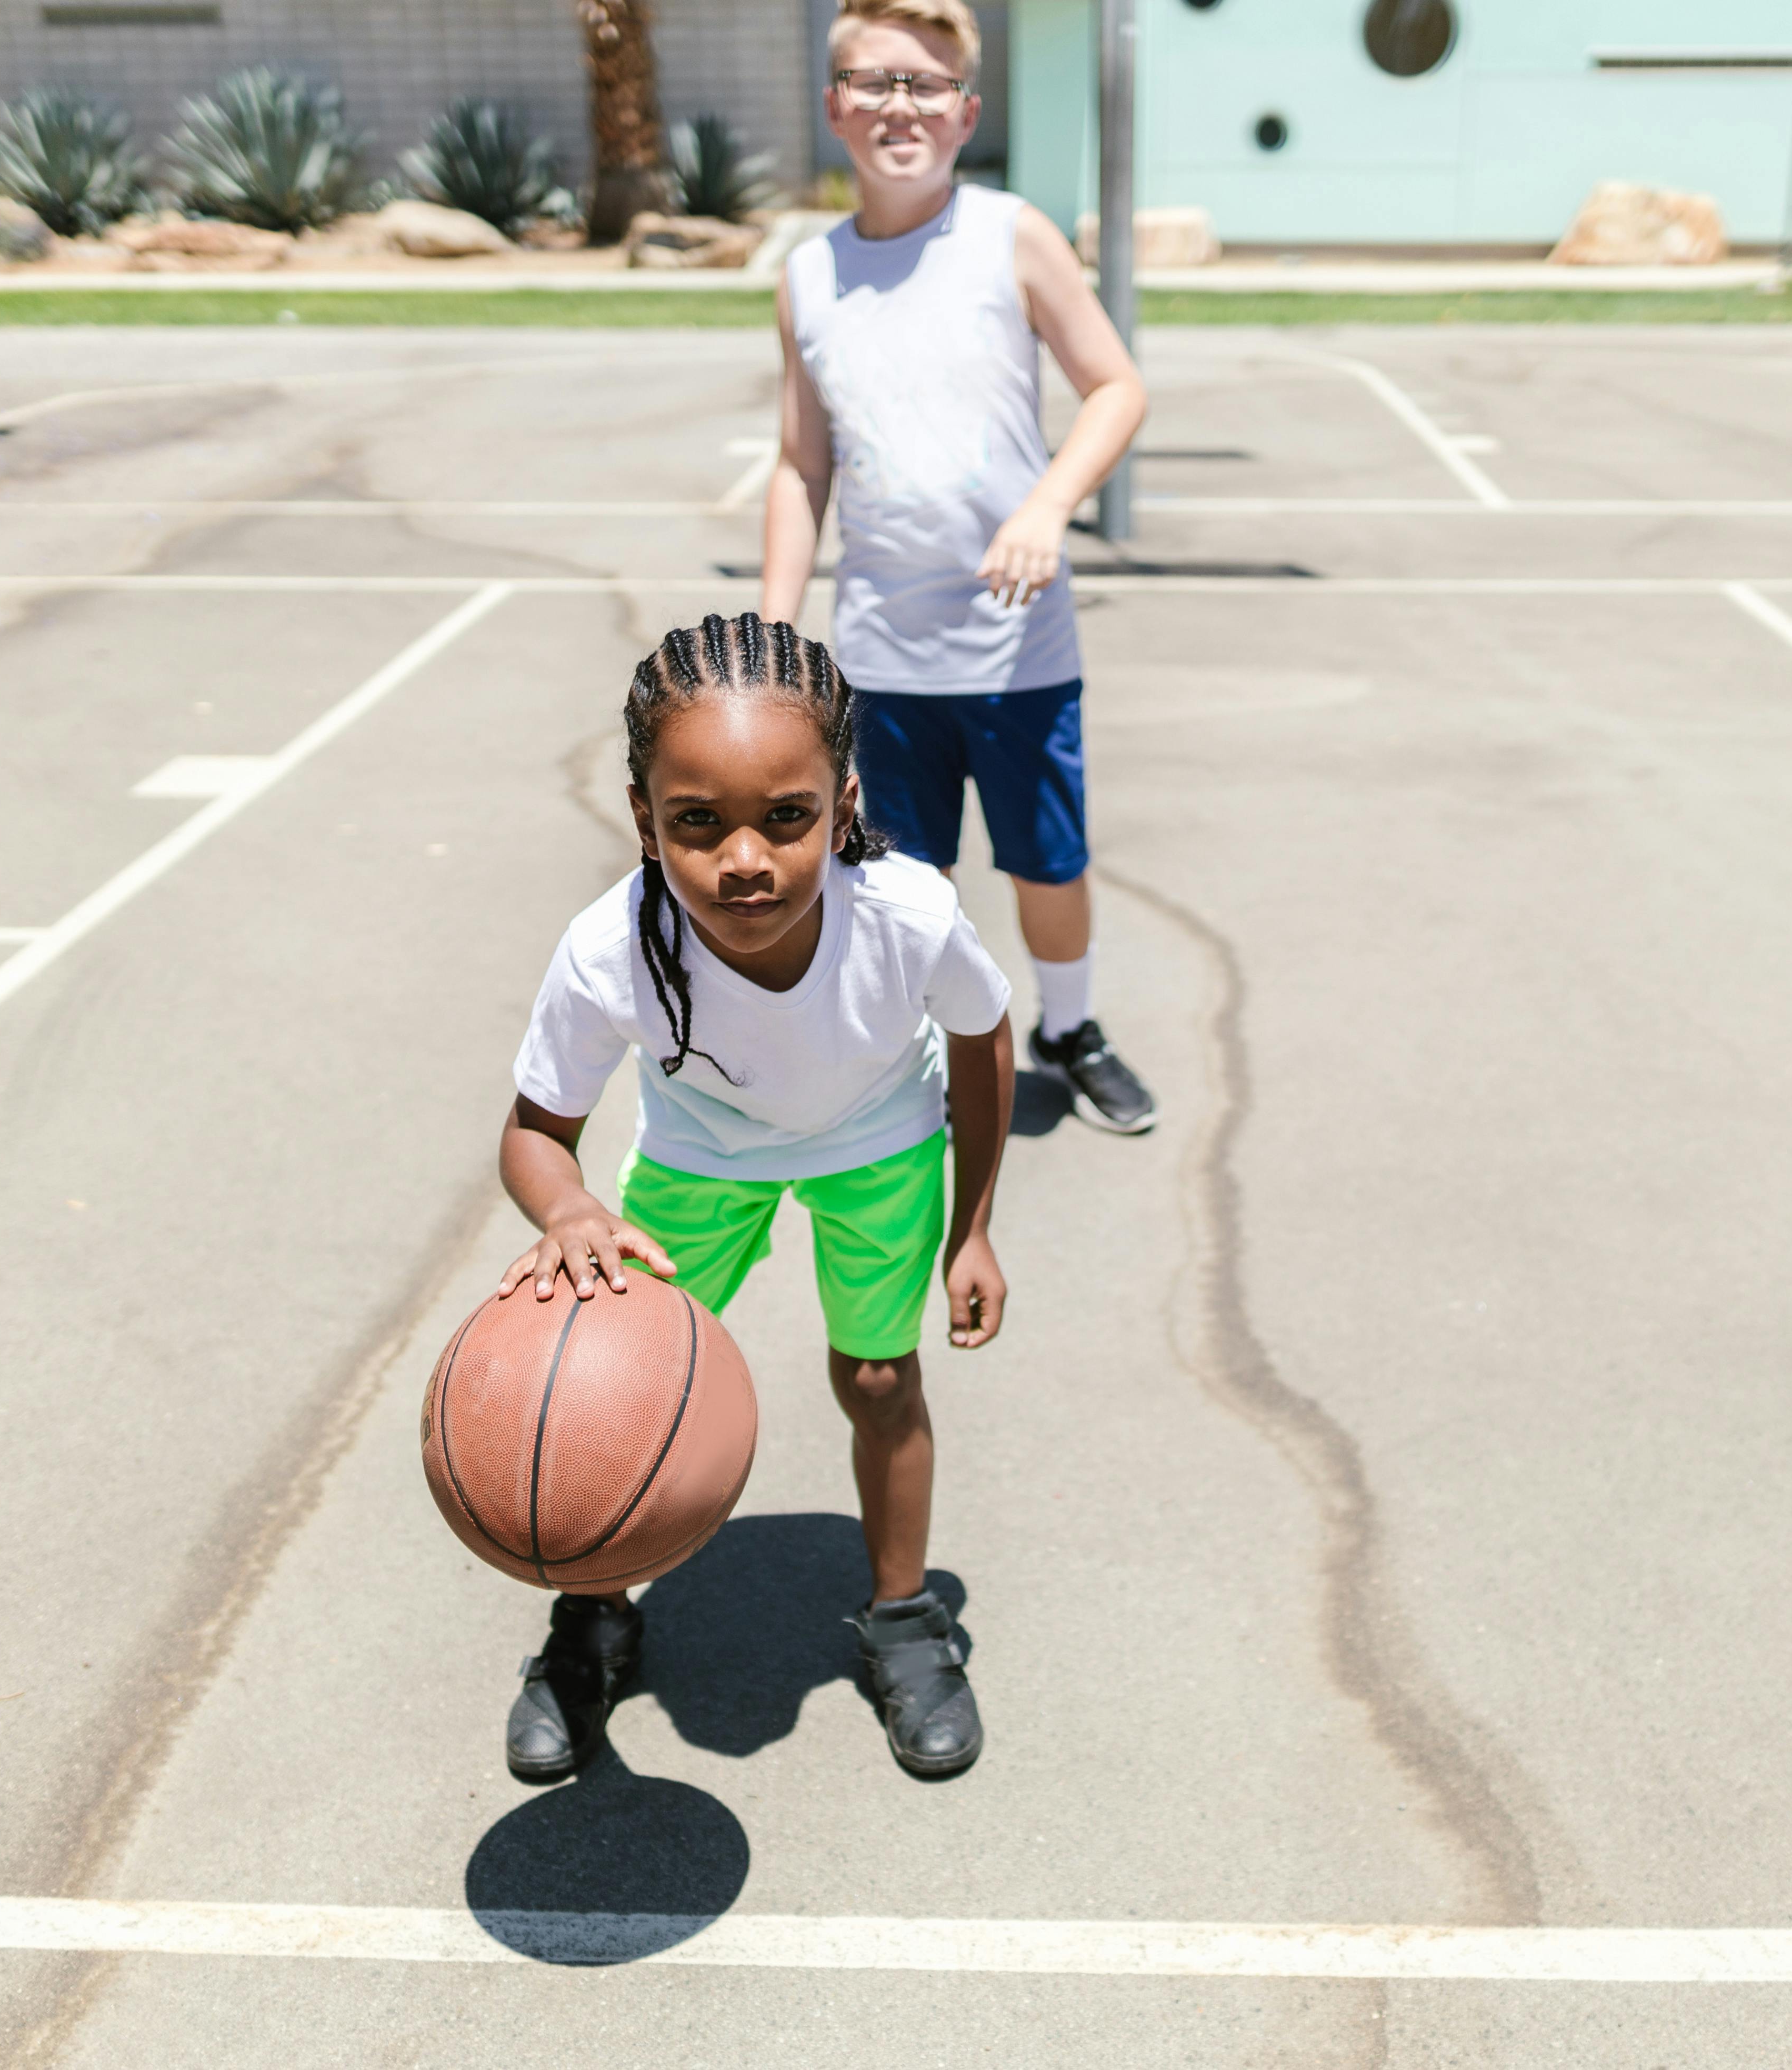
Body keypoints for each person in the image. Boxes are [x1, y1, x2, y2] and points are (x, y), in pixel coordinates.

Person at [495, 612, 1016, 1782]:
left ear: (841, 799)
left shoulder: (907, 913)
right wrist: (572, 1211)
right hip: (700, 1157)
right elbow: (536, 1132)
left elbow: (984, 1040)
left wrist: (972, 1224)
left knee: (879, 1376)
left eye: (785, 816)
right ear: (644, 817)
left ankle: (901, 1616)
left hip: (878, 1139)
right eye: (697, 822)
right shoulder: (608, 948)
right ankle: (592, 1618)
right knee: (603, 1395)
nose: (745, 858)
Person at [763, 0, 1157, 1135]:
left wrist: (1047, 505)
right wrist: (777, 635)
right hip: (885, 652)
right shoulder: (806, 278)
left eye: (927, 86)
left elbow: (1115, 387)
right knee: (901, 885)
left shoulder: (1007, 234)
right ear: (833, 103)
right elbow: (801, 465)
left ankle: (1069, 1026)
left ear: (967, 111)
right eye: (873, 82)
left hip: (1016, 643)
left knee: (1047, 862)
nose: (901, 105)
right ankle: (910, 1052)